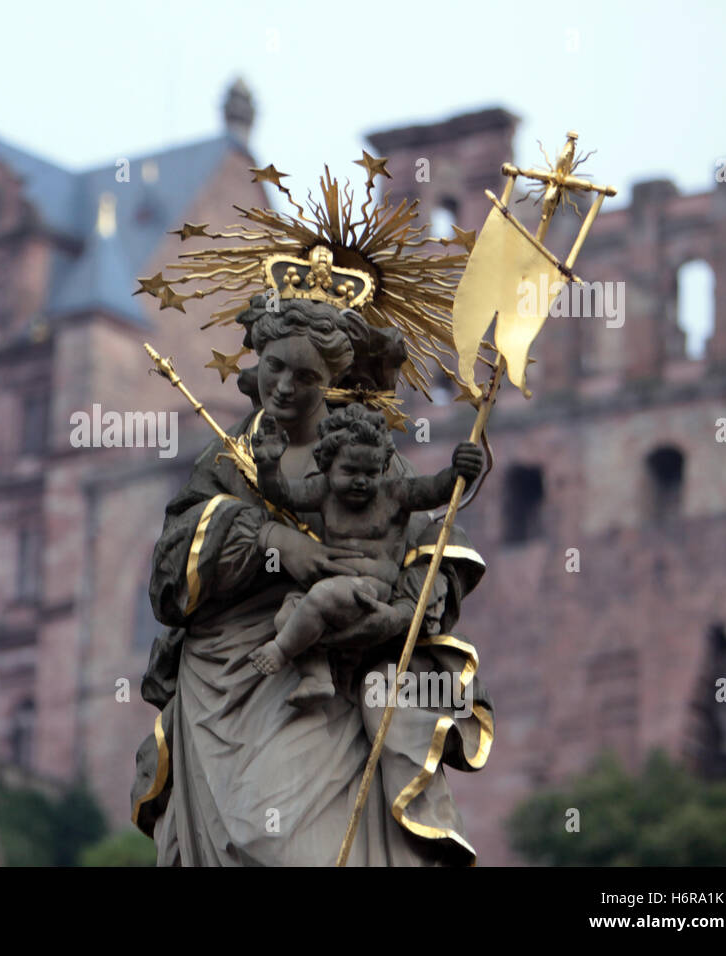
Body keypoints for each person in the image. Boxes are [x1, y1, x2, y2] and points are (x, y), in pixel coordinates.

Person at [129, 294, 494, 866]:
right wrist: (273, 543)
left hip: (328, 675)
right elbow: (170, 573)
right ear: (257, 361)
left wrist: (404, 611)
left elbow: (433, 537)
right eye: (274, 367)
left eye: (305, 376)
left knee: (284, 844)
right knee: (242, 842)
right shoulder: (231, 456)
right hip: (226, 672)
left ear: (332, 380)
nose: (284, 387)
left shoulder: (358, 455)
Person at [249, 403, 484, 706]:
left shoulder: (394, 494)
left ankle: (279, 651)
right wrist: (268, 466)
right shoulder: (323, 492)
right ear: (327, 464)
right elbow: (281, 494)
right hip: (332, 586)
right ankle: (317, 675)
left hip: (368, 591)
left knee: (319, 598)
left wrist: (459, 471)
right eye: (349, 471)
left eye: (370, 472)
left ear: (384, 468)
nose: (361, 480)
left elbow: (436, 490)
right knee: (288, 613)